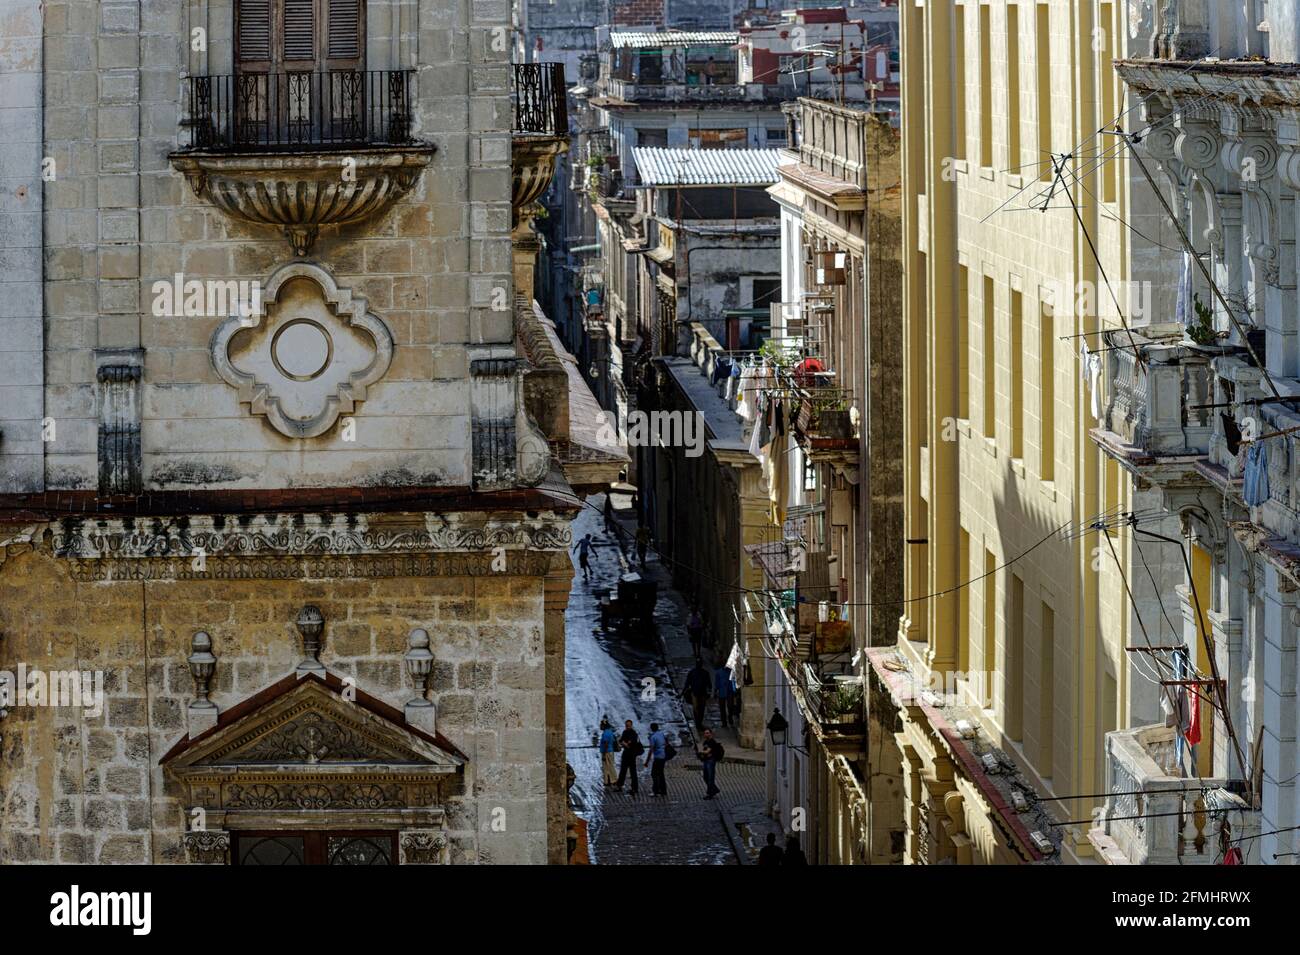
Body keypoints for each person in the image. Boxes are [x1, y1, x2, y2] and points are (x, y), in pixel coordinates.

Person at [684, 658, 712, 730]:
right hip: (695, 694)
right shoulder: (692, 672)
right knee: (696, 709)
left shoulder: (705, 673)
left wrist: (709, 692)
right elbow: (687, 683)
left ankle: (699, 723)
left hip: (702, 694)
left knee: (701, 709)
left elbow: (709, 684)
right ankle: (698, 723)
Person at [697, 727, 724, 799]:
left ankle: (710, 794)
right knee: (706, 776)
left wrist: (700, 752)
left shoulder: (712, 742)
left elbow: (707, 751)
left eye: (707, 733)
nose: (706, 734)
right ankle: (714, 789)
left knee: (710, 777)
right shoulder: (705, 742)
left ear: (711, 734)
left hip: (711, 761)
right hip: (706, 761)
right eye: (705, 733)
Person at [615, 719, 641, 794]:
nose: (627, 726)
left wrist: (624, 743)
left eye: (628, 725)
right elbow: (622, 741)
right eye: (626, 725)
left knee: (629, 771)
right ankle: (622, 786)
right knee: (626, 771)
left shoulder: (631, 733)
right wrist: (624, 742)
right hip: (629, 754)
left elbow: (627, 743)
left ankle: (632, 788)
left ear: (631, 725)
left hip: (630, 754)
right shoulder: (628, 732)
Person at [644, 722, 668, 796]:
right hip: (663, 756)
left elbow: (651, 750)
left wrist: (647, 762)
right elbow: (666, 743)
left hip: (658, 757)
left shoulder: (653, 737)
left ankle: (656, 791)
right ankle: (663, 790)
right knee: (661, 774)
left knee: (654, 774)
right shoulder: (661, 734)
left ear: (651, 728)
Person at [714, 660, 735, 728]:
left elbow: (734, 681)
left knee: (730, 706)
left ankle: (730, 717)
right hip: (722, 692)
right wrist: (715, 691)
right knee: (722, 708)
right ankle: (724, 722)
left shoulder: (731, 672)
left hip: (729, 691)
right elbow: (717, 682)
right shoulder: (719, 672)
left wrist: (735, 690)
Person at [599, 719, 618, 787]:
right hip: (610, 751)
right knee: (609, 766)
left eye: (601, 725)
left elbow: (606, 744)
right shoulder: (610, 732)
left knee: (608, 766)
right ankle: (608, 780)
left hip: (607, 752)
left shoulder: (606, 733)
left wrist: (604, 754)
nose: (600, 726)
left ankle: (613, 780)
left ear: (604, 726)